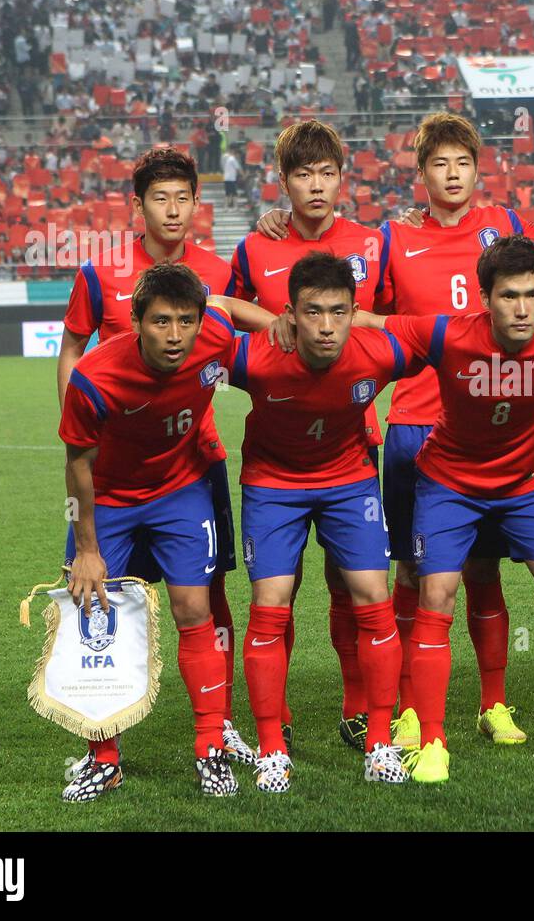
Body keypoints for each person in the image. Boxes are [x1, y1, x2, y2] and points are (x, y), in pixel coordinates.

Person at [360, 235, 534, 783]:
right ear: (486, 298)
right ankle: (431, 739)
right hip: (448, 483)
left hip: (526, 483)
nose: (521, 308)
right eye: (508, 296)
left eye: (531, 295)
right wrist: (287, 322)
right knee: (437, 593)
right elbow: (364, 320)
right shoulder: (447, 334)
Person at [57, 147, 253, 771]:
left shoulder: (219, 273)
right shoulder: (101, 272)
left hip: (192, 461)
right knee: (96, 602)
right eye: (159, 199)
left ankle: (217, 731)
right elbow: (72, 345)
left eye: (182, 198)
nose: (172, 210)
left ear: (198, 204)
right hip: (111, 464)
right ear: (136, 206)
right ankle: (101, 751)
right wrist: (76, 412)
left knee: (206, 593)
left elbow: (247, 342)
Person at [226, 253, 417, 790]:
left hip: (349, 481)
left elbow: (449, 340)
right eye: (313, 312)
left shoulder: (379, 352)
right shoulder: (254, 358)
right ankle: (270, 748)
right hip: (272, 487)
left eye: (339, 312)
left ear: (355, 311)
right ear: (290, 313)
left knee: (372, 600)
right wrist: (264, 323)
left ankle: (379, 742)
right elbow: (205, 309)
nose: (327, 326)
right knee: (270, 605)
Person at [233, 120, 389, 754]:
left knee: (350, 587)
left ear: (343, 176)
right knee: (280, 588)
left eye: (327, 173)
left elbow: (392, 321)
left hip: (355, 437)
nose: (316, 186)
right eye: (303, 174)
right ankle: (279, 717)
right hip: (278, 447)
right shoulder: (256, 247)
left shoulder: (374, 243)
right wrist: (272, 320)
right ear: (284, 181)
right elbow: (220, 306)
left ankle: (357, 709)